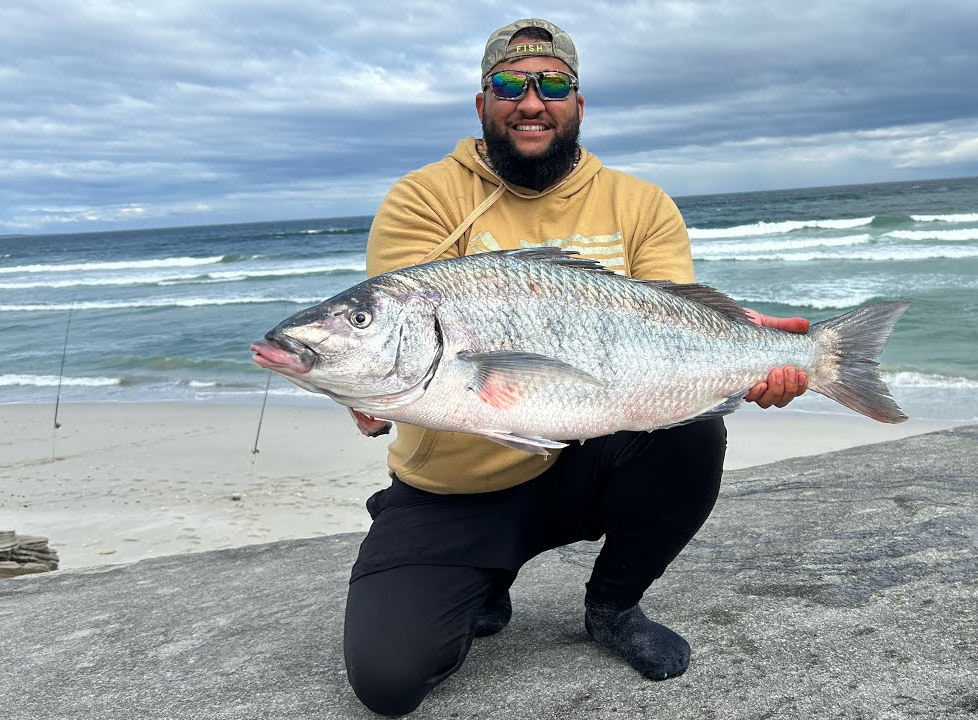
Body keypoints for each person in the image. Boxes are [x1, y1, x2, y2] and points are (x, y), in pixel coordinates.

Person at [343, 18, 811, 716]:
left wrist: (744, 354)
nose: (531, 101)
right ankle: (482, 575)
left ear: (578, 105)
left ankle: (613, 607)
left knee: (691, 432)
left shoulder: (639, 203)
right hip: (456, 484)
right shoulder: (423, 199)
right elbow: (392, 342)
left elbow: (673, 327)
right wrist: (365, 388)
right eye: (509, 84)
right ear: (482, 105)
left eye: (553, 84)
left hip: (586, 460)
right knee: (388, 680)